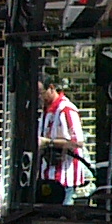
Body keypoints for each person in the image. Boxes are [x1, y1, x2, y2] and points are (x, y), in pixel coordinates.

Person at [38, 75, 89, 204]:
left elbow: (77, 142)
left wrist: (47, 142)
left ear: (51, 88)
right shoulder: (45, 111)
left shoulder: (66, 109)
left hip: (65, 178)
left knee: (62, 217)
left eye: (41, 93)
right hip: (48, 176)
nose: (40, 97)